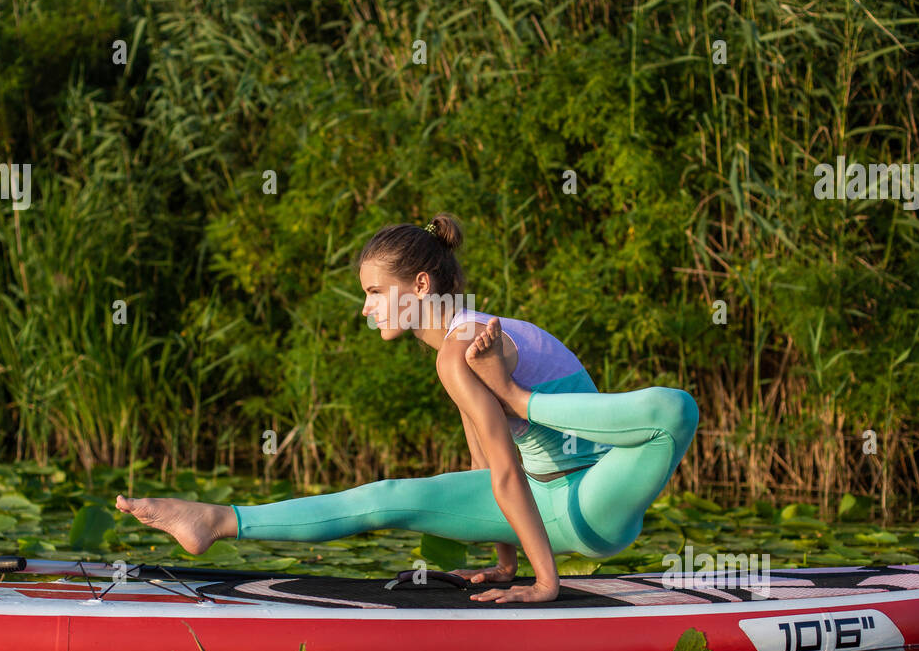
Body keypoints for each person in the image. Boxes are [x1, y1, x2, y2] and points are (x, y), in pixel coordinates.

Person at [116, 212, 698, 604]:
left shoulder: (467, 346)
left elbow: (502, 470)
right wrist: (505, 561)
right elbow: (488, 463)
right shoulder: (450, 354)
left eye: (373, 292)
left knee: (675, 409)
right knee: (387, 496)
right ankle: (217, 521)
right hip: (543, 503)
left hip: (595, 493)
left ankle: (219, 522)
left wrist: (546, 582)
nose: (365, 308)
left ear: (420, 285)